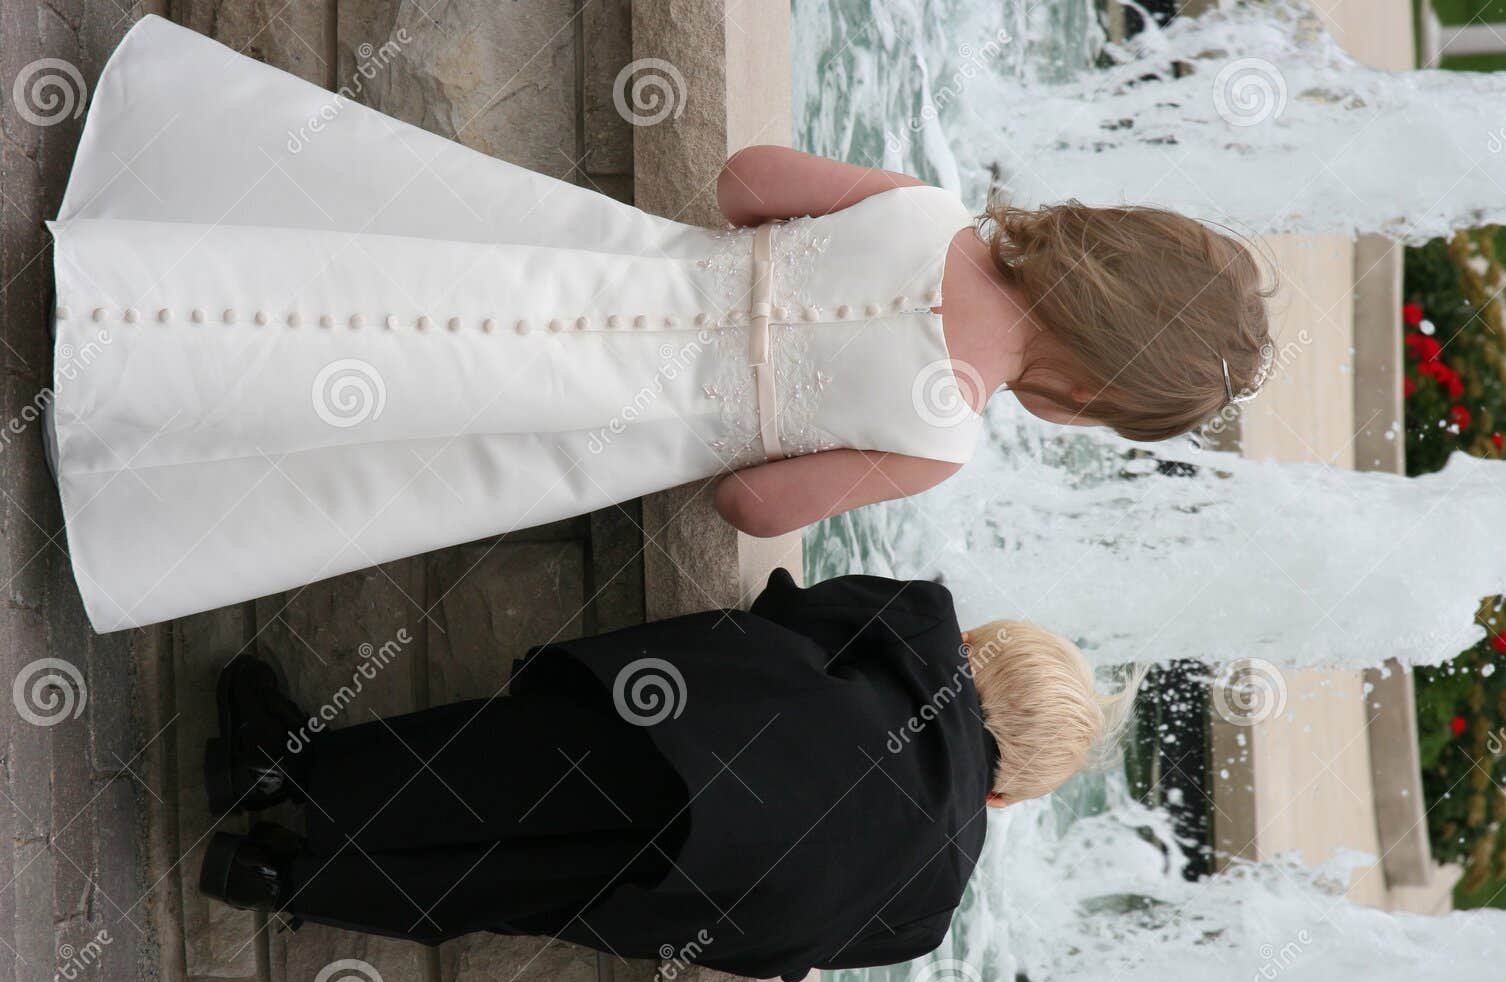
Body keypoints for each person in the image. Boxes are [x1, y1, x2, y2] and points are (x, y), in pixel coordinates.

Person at [49, 16, 1273, 633]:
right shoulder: (942, 437)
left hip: (608, 279)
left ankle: (121, 282)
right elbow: (755, 508)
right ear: (1095, 397)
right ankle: (123, 407)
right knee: (397, 436)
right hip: (616, 419)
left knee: (391, 284)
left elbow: (746, 178)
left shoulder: (930, 213)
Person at [197, 570, 1136, 982]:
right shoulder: (930, 914)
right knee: (509, 887)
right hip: (690, 889)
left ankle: (283, 770)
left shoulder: (928, 629)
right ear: (1002, 798)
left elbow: (790, 613)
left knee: (492, 763)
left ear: (982, 652)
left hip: (680, 743)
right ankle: (281, 876)